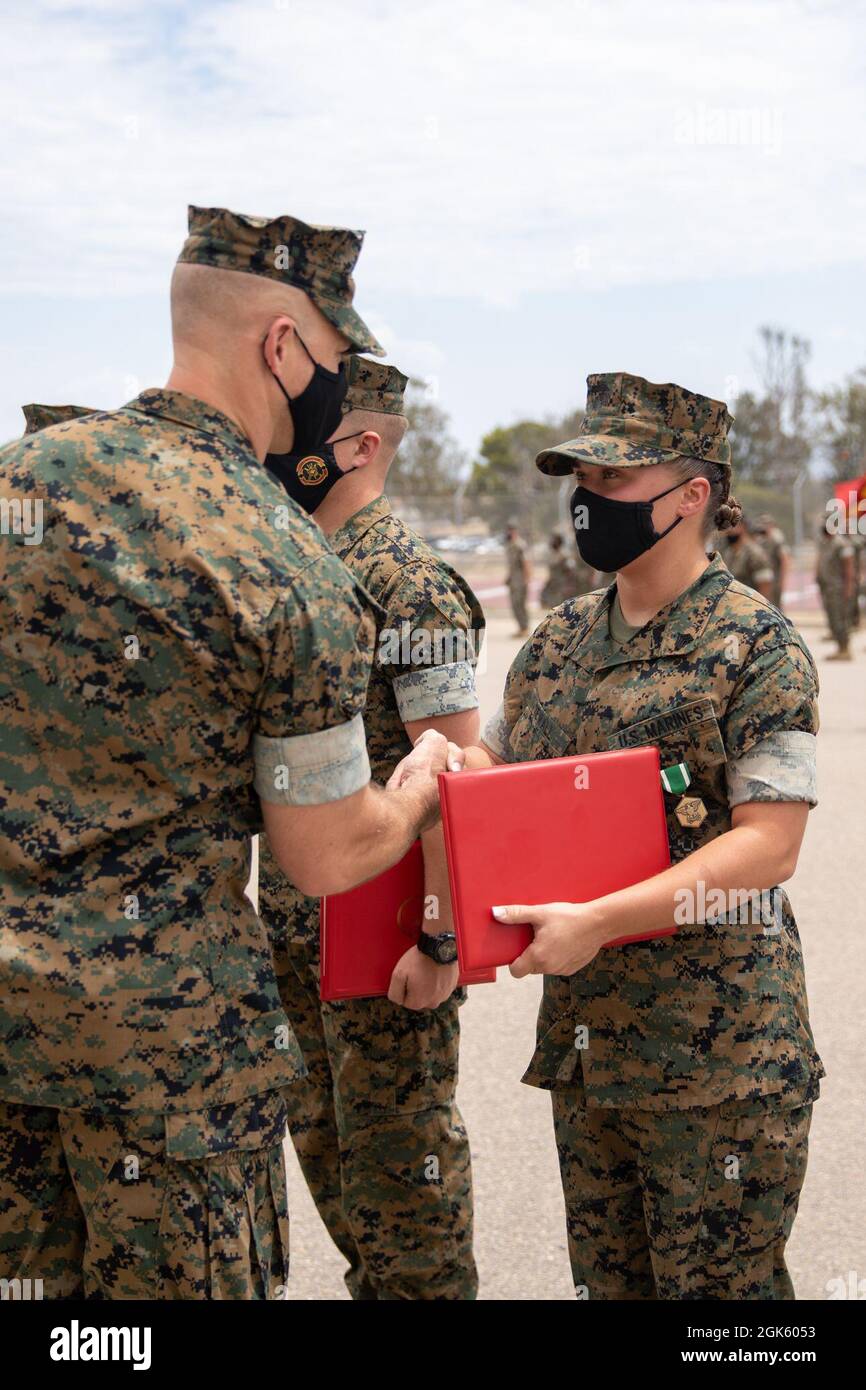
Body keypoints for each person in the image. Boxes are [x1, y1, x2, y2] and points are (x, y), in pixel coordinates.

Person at [0, 206, 453, 1300]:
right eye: (337, 358)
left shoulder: (20, 481)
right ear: (283, 346)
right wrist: (417, 795)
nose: (339, 387)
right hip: (173, 1068)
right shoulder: (283, 560)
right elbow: (326, 855)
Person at [453, 372, 824, 1300]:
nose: (588, 501)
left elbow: (769, 847)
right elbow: (506, 780)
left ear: (691, 496)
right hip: (592, 1052)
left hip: (720, 1063)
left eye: (615, 480)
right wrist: (447, 768)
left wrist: (602, 921)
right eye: (583, 479)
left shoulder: (757, 645)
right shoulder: (559, 640)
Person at [259, 357, 483, 1300]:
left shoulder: (410, 586)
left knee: (403, 1189)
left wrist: (441, 937)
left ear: (357, 446)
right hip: (298, 930)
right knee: (335, 1169)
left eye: (302, 424)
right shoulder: (295, 571)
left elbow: (457, 777)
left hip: (386, 939)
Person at [816, 515, 856, 661]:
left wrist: (849, 589)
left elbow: (849, 569)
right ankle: (840, 648)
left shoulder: (842, 544)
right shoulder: (827, 543)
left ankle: (845, 649)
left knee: (841, 619)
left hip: (839, 589)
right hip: (828, 588)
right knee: (833, 618)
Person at [719, 514, 775, 600]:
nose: (728, 530)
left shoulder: (755, 554)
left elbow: (765, 586)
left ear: (743, 527)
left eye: (732, 526)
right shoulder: (728, 553)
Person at [540, 530, 594, 608]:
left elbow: (571, 571)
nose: (551, 542)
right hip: (554, 587)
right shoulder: (552, 556)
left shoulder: (564, 556)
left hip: (562, 588)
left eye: (553, 540)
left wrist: (569, 586)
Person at [754, 513, 789, 611]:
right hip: (765, 580)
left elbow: (784, 559)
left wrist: (782, 581)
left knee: (776, 609)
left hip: (775, 580)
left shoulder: (777, 539)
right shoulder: (761, 540)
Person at [505, 521, 531, 636]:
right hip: (513, 581)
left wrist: (527, 579)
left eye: (511, 530)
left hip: (520, 581)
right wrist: (508, 578)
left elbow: (526, 563)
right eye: (508, 530)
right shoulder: (510, 546)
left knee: (520, 604)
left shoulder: (520, 545)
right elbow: (512, 566)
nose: (509, 532)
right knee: (515, 604)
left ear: (515, 532)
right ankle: (521, 627)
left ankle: (524, 627)